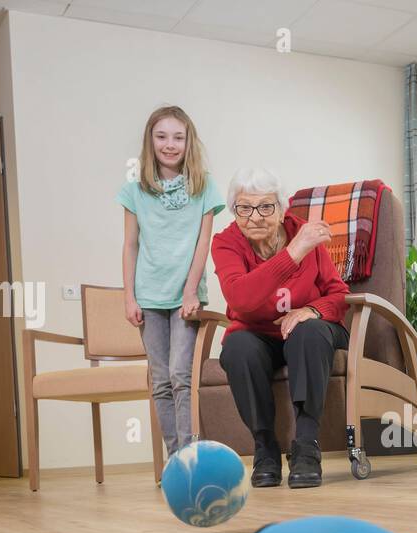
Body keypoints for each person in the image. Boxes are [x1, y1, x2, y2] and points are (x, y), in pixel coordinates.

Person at [210, 167, 349, 489]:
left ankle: (306, 446)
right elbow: (241, 299)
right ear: (234, 210)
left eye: (266, 207)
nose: (255, 216)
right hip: (257, 333)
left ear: (281, 208)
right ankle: (265, 449)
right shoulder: (226, 243)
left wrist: (312, 310)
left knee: (308, 331)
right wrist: (293, 253)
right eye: (244, 208)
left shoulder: (304, 233)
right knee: (237, 348)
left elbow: (339, 294)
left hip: (311, 333)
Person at [117, 105, 223, 456]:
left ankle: (189, 455)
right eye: (162, 136)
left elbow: (203, 242)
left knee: (181, 375)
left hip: (185, 297)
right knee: (160, 380)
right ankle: (175, 457)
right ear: (151, 140)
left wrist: (191, 290)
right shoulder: (134, 191)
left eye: (178, 137)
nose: (170, 144)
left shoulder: (204, 186)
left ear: (188, 141)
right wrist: (129, 297)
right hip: (148, 297)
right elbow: (130, 245)